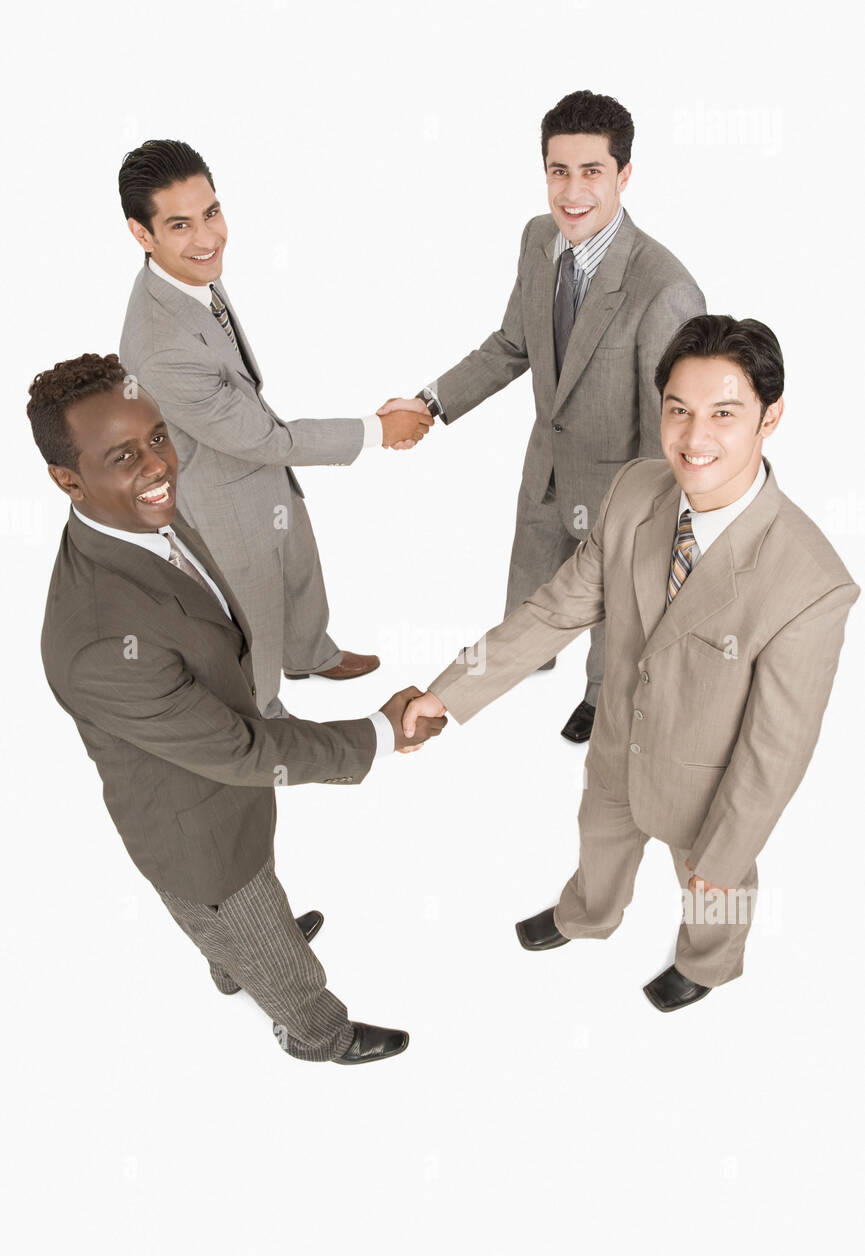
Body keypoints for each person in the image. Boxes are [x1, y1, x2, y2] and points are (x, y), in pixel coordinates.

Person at [402, 316, 858, 1010]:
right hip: (616, 746)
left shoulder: (810, 582)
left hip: (707, 791)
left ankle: (707, 965)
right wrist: (448, 693)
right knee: (598, 844)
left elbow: (777, 749)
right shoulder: (636, 491)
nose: (693, 438)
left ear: (770, 418)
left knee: (714, 892)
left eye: (722, 415)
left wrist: (725, 856)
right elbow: (557, 608)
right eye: (676, 410)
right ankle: (586, 915)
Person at [32, 353, 445, 1064]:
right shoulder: (100, 640)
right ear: (68, 479)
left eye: (158, 437)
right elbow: (239, 753)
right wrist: (378, 735)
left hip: (227, 799)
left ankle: (235, 961)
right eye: (124, 455)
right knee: (261, 929)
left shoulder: (138, 514)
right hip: (199, 831)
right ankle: (316, 1032)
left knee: (249, 904)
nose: (158, 465)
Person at [381, 89, 705, 744]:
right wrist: (430, 403)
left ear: (624, 175)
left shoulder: (664, 289)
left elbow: (670, 435)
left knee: (615, 608)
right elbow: (511, 345)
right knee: (533, 596)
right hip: (547, 468)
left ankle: (600, 693)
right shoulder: (537, 239)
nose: (571, 191)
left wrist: (648, 526)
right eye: (558, 171)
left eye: (591, 171)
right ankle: (529, 657)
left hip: (619, 489)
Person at [118, 139, 433, 718]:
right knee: (254, 617)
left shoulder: (189, 276)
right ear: (143, 234)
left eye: (211, 212)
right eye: (181, 225)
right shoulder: (161, 346)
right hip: (225, 499)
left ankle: (310, 653)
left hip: (262, 475)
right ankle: (265, 715)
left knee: (300, 571)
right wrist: (376, 430)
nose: (209, 238)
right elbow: (263, 438)